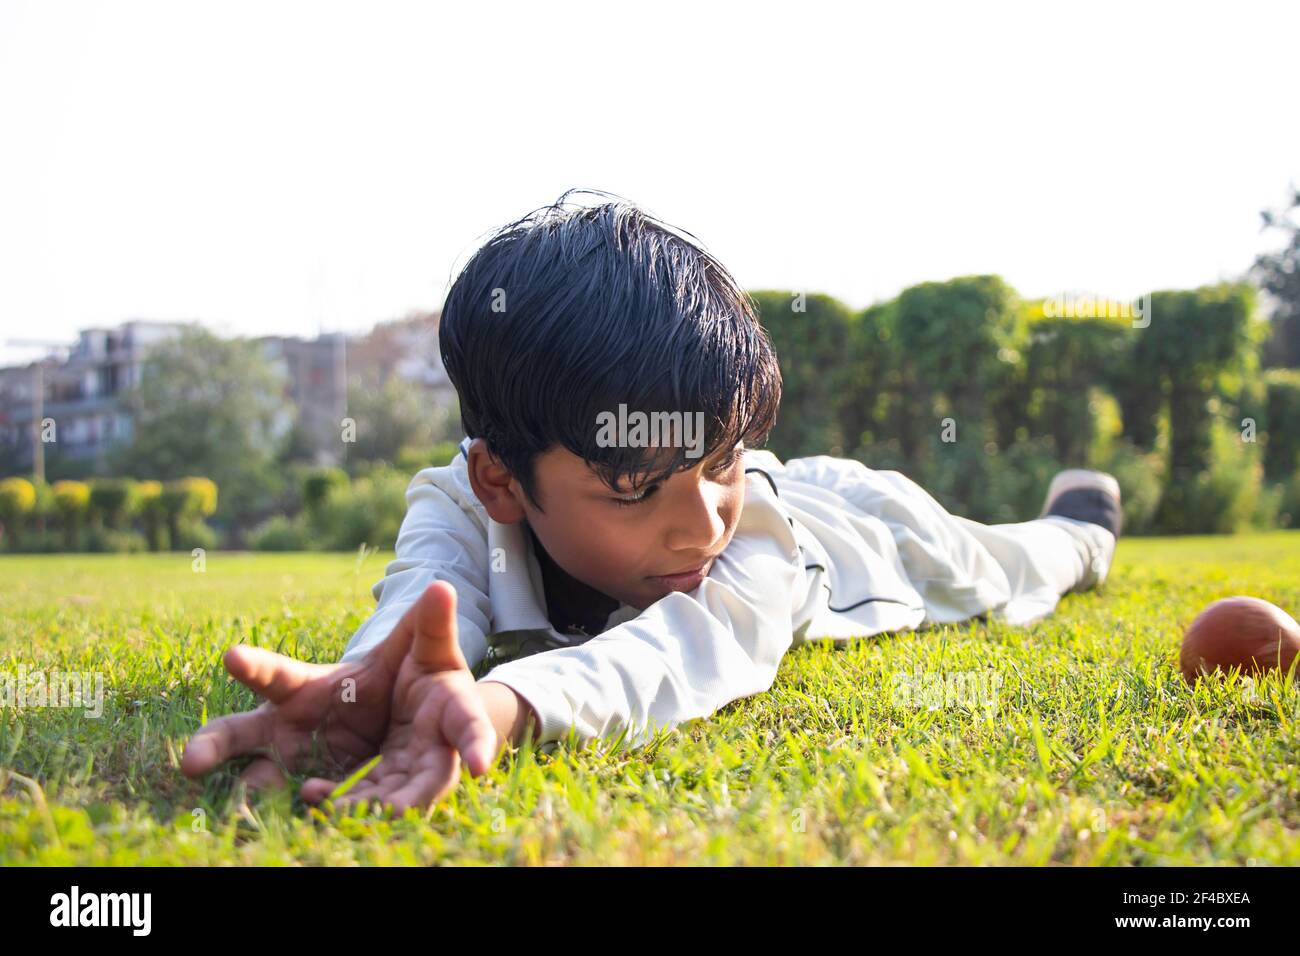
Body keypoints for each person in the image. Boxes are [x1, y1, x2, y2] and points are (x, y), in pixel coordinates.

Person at [181, 190, 1122, 815]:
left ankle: (1084, 523)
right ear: (501, 481)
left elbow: (693, 647)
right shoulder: (456, 501)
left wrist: (508, 705)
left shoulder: (747, 527)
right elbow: (426, 600)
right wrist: (365, 680)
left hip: (857, 525)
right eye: (636, 492)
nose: (700, 523)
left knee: (1009, 563)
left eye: (719, 460)